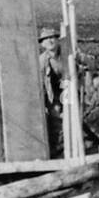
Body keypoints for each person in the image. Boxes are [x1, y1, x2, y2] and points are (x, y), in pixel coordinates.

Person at [38, 25, 65, 156]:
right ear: (42, 44)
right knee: (55, 119)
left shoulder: (68, 54)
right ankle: (56, 150)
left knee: (71, 117)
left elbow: (89, 64)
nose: (50, 41)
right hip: (53, 95)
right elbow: (38, 83)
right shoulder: (42, 61)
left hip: (68, 90)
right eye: (46, 39)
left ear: (58, 40)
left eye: (53, 37)